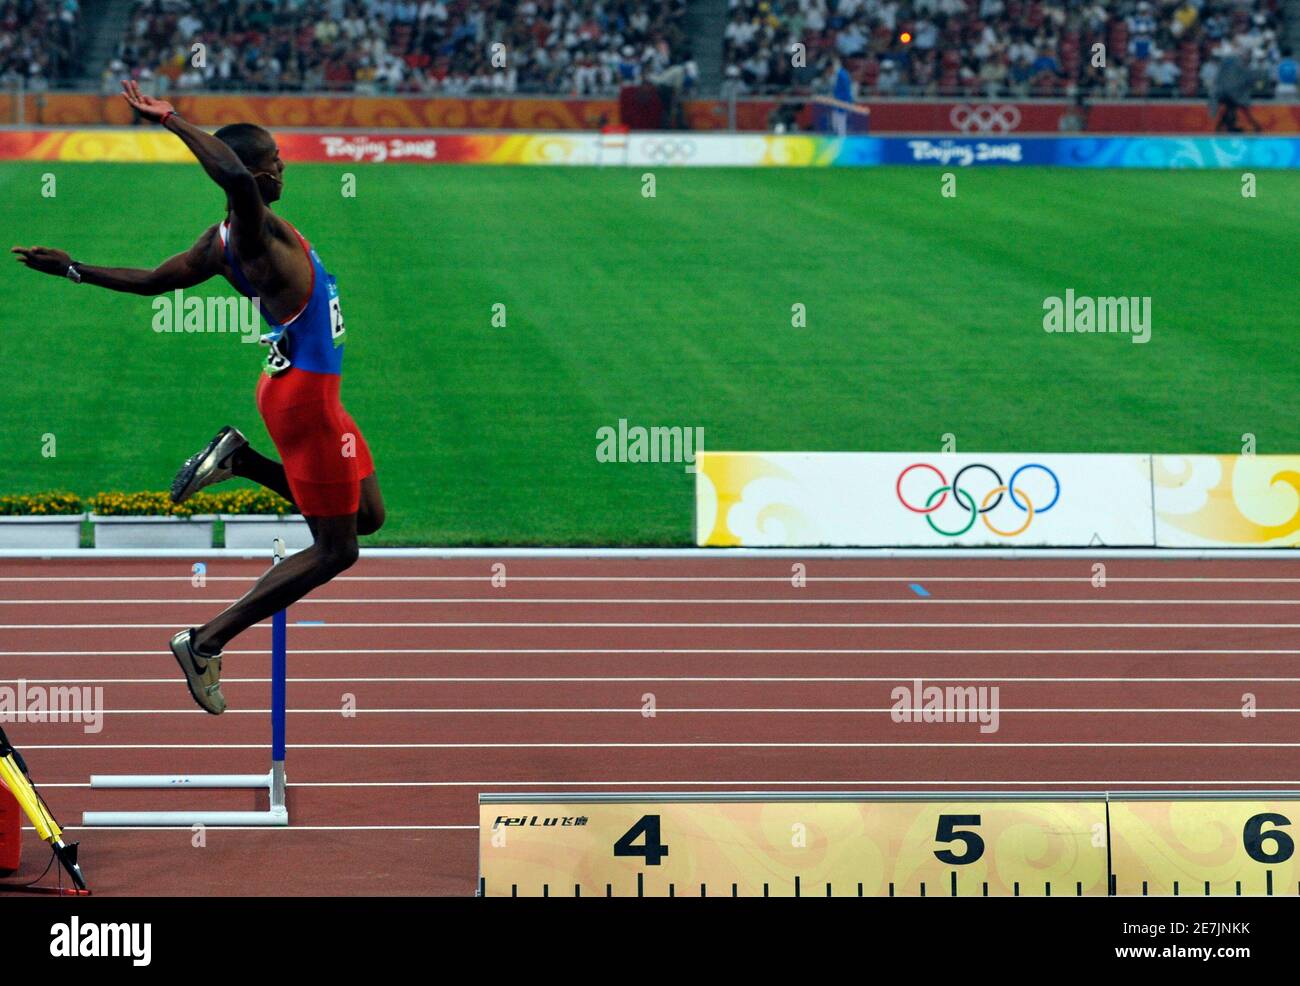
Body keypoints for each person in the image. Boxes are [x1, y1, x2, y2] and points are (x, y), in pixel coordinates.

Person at [11, 80, 384, 715]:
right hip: (307, 402)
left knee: (367, 516)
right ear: (253, 175)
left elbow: (154, 282)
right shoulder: (254, 234)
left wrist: (75, 268)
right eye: (274, 167)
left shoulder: (217, 246)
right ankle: (205, 641)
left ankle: (239, 460)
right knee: (336, 548)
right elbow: (235, 180)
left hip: (298, 390)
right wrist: (174, 121)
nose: (281, 174)